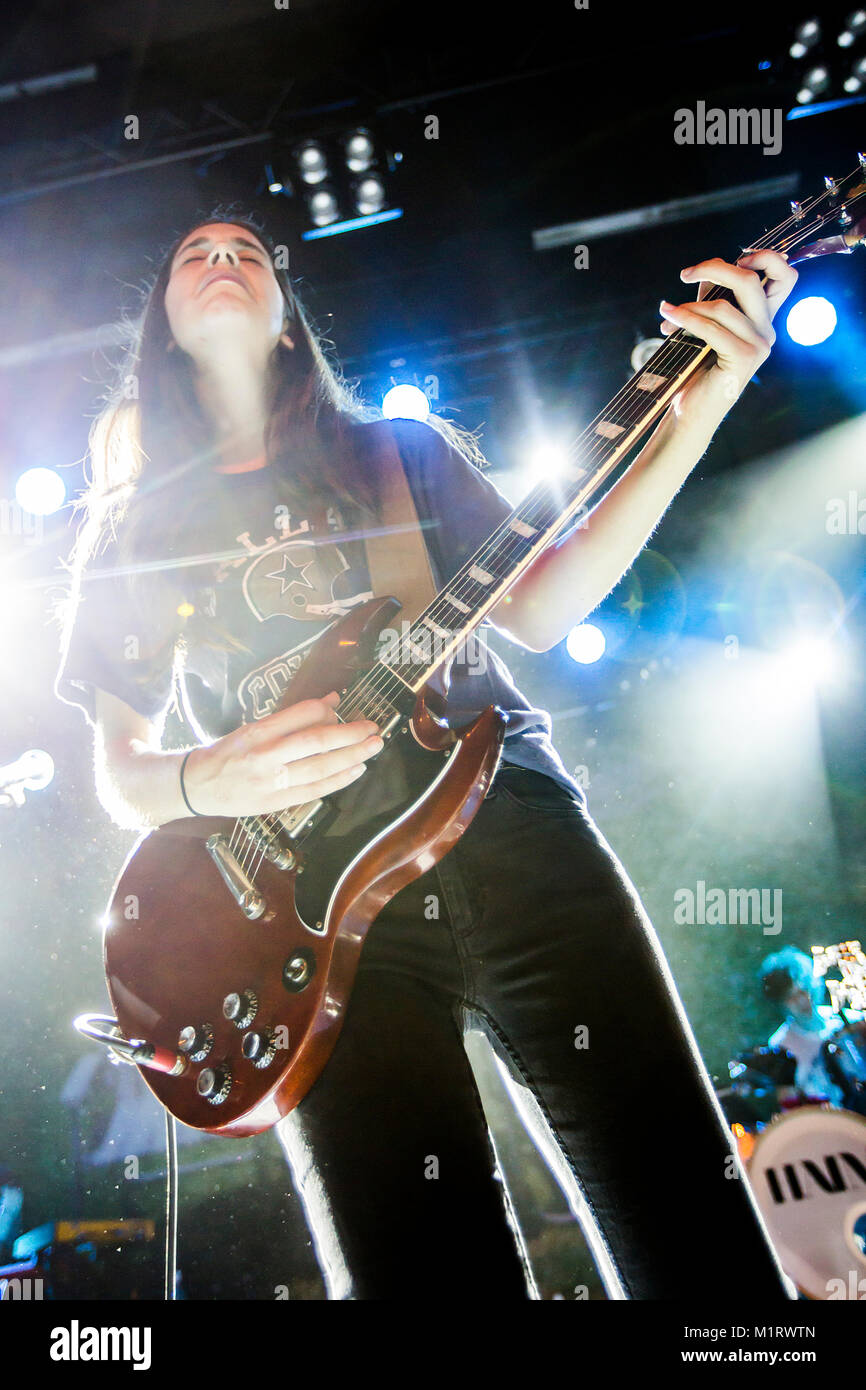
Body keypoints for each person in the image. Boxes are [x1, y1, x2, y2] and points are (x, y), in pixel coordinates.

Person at [55, 207, 799, 1300]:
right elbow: (118, 769)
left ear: (287, 319)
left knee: (687, 1229)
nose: (222, 262)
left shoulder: (397, 455)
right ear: (161, 325)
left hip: (516, 838)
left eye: (248, 253)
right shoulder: (133, 536)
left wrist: (703, 402)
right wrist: (200, 777)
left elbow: (540, 605)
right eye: (194, 256)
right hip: (313, 930)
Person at [759, 946, 853, 1107]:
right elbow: (789, 1107)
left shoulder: (850, 1020)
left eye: (803, 991)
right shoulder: (780, 1047)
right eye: (790, 997)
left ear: (813, 984)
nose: (801, 1002)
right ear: (780, 1003)